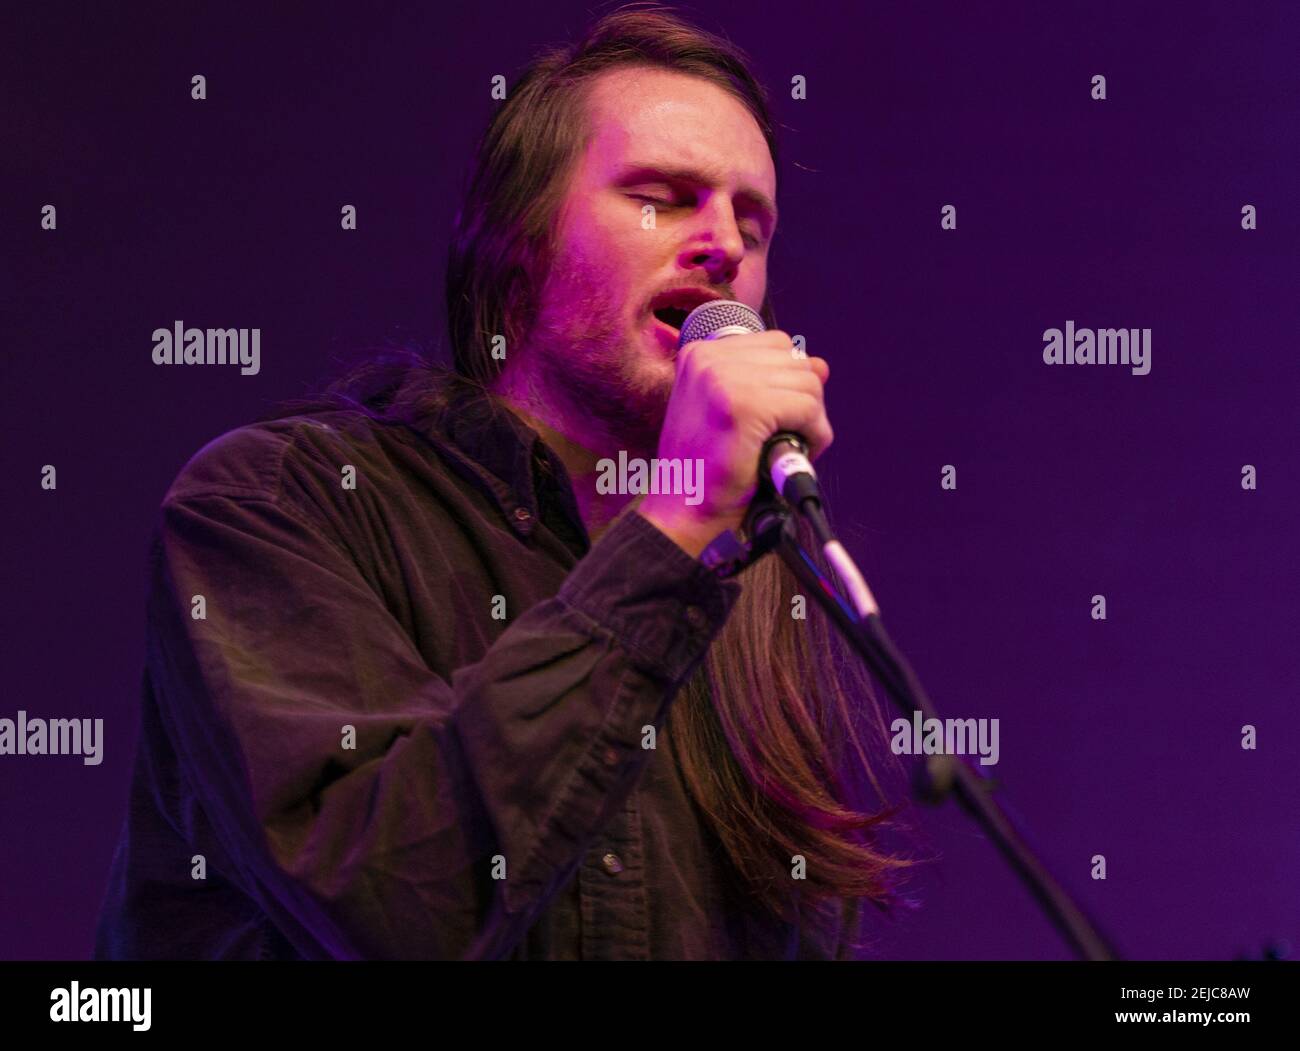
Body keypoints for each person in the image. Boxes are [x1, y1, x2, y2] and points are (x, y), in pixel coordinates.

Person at [93, 5, 917, 961]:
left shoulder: (745, 597)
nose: (725, 246)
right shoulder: (276, 500)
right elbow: (395, 905)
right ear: (518, 241)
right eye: (663, 196)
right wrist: (681, 516)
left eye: (753, 220)